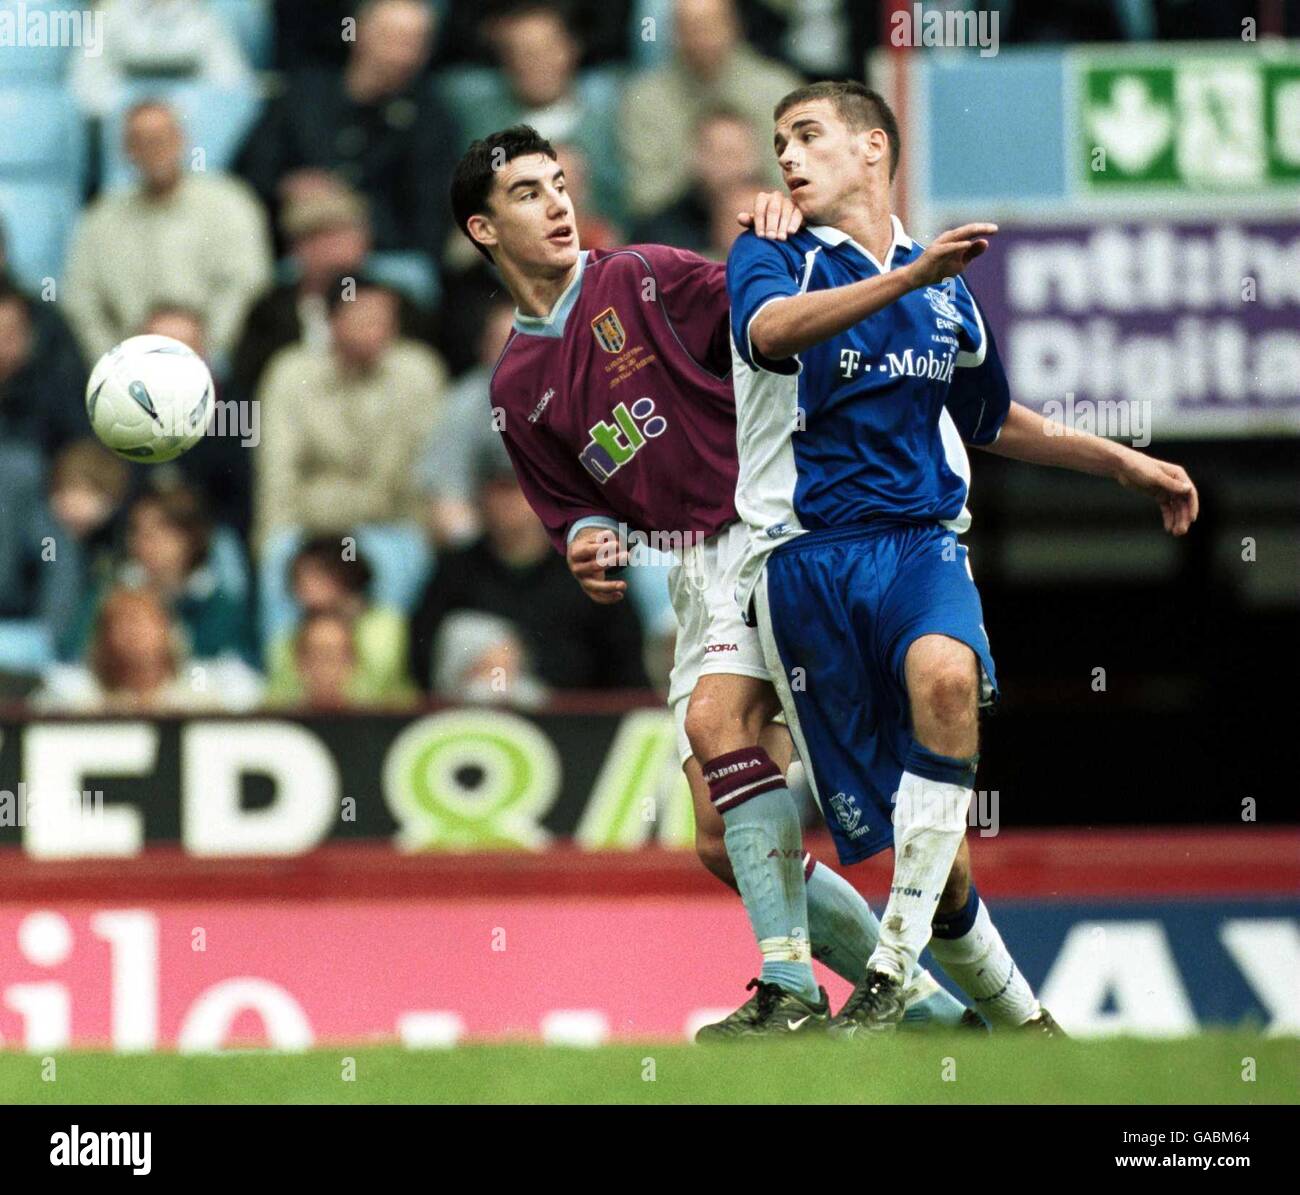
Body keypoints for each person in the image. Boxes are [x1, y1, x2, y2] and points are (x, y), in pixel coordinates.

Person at [449, 124, 968, 1036]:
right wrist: (588, 545)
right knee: (713, 838)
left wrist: (778, 238)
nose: (558, 202)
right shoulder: (515, 384)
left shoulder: (642, 276)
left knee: (729, 733)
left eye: (559, 182)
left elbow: (772, 318)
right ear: (484, 231)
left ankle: (799, 984)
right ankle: (930, 1013)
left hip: (772, 530)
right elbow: (573, 507)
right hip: (695, 569)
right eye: (527, 193)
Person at [727, 81, 1199, 1036]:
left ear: (873, 150)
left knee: (948, 674)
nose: (787, 155)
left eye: (808, 135)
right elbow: (769, 335)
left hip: (919, 544)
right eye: (779, 140)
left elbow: (987, 419)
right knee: (944, 877)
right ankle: (1025, 1030)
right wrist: (907, 277)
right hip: (807, 564)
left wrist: (1125, 461)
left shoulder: (944, 282)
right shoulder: (771, 249)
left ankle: (891, 966)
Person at [409, 437, 649, 694]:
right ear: (480, 496)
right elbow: (420, 659)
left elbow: (626, 669)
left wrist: (525, 661)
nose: (508, 503)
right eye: (498, 489)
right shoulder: (454, 571)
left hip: (573, 721)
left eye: (519, 488)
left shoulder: (586, 568)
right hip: (474, 720)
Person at [235, 0, 457, 260]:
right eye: (392, 38)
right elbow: (248, 174)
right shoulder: (303, 95)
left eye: (417, 43)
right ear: (358, 33)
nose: (403, 55)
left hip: (381, 263)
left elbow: (430, 222)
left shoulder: (432, 119)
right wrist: (286, 186)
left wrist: (352, 213)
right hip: (289, 252)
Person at [63, 100, 273, 364]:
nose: (153, 150)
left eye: (161, 138)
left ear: (181, 140)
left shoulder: (230, 204)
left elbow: (249, 284)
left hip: (219, 362)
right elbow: (82, 304)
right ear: (126, 150)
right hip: (127, 370)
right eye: (141, 141)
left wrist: (209, 346)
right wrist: (114, 361)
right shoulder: (99, 220)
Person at [253, 275, 447, 548]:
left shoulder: (418, 372)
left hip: (396, 529)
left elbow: (427, 471)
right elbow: (277, 474)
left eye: (384, 320)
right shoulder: (291, 373)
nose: (374, 330)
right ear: (332, 321)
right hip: (310, 532)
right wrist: (273, 546)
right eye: (362, 318)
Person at [619, 0, 800, 221]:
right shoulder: (645, 98)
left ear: (735, 26)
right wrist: (703, 179)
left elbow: (794, 182)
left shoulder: (777, 88)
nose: (700, 38)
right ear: (673, 34)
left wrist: (741, 184)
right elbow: (645, 197)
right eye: (690, 27)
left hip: (765, 217)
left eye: (709, 25)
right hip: (682, 225)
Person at [264, 536, 414, 708]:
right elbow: (280, 697)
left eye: (317, 574)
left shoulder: (385, 625)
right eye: (300, 576)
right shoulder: (286, 637)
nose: (306, 586)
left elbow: (372, 690)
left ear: (344, 577)